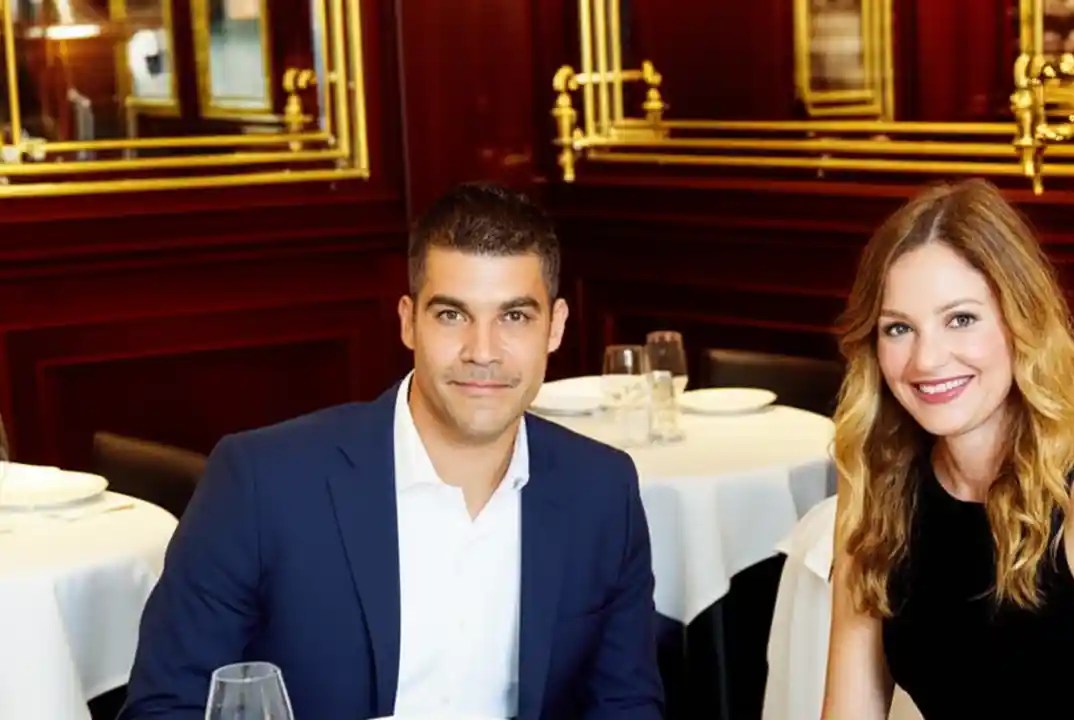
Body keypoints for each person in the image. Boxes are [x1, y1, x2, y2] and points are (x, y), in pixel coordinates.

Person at [120, 182, 665, 720]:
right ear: (408, 321)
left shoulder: (602, 490)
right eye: (452, 315)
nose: (482, 352)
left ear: (556, 326)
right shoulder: (263, 482)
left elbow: (626, 705)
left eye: (514, 317)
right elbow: (165, 706)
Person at [820, 179, 1074, 719]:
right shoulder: (878, 485)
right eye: (898, 329)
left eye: (961, 319)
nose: (927, 360)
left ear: (1020, 321)